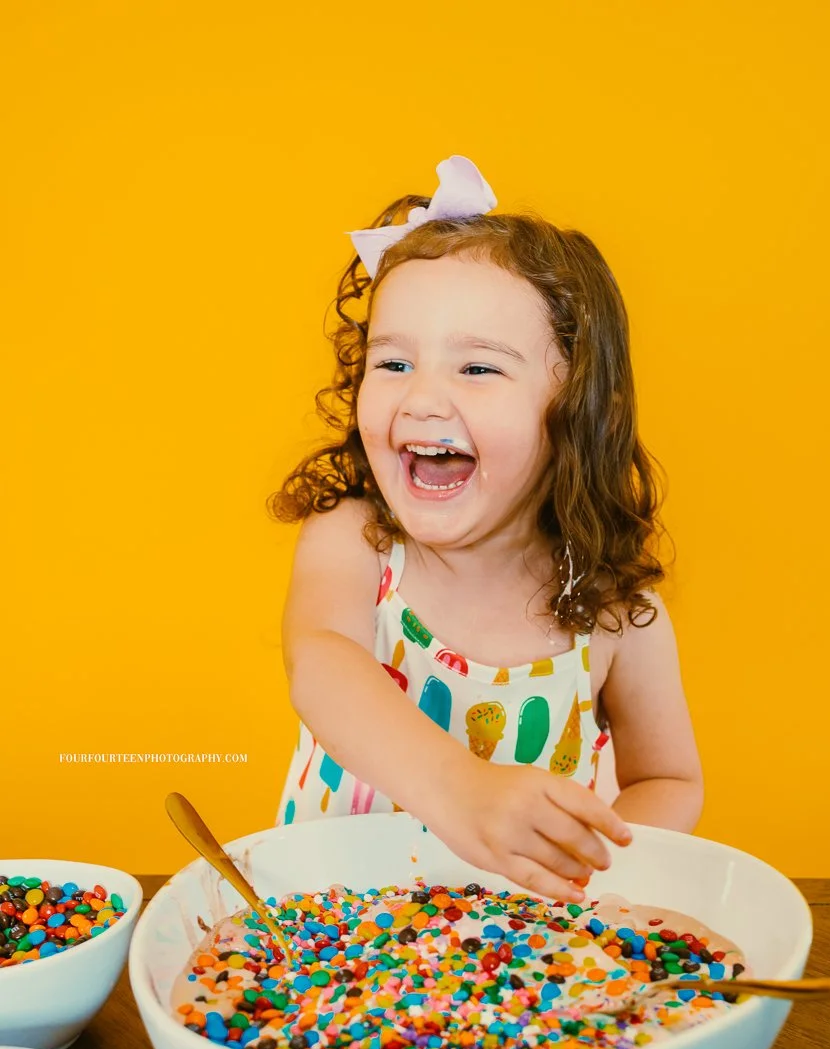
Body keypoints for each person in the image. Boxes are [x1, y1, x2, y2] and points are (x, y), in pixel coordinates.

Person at [268, 155, 703, 903]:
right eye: (392, 363)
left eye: (476, 369)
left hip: (510, 950)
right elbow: (320, 664)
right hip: (325, 930)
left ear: (574, 408)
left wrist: (579, 865)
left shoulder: (612, 611)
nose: (422, 398)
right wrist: (460, 788)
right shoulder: (357, 540)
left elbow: (668, 779)